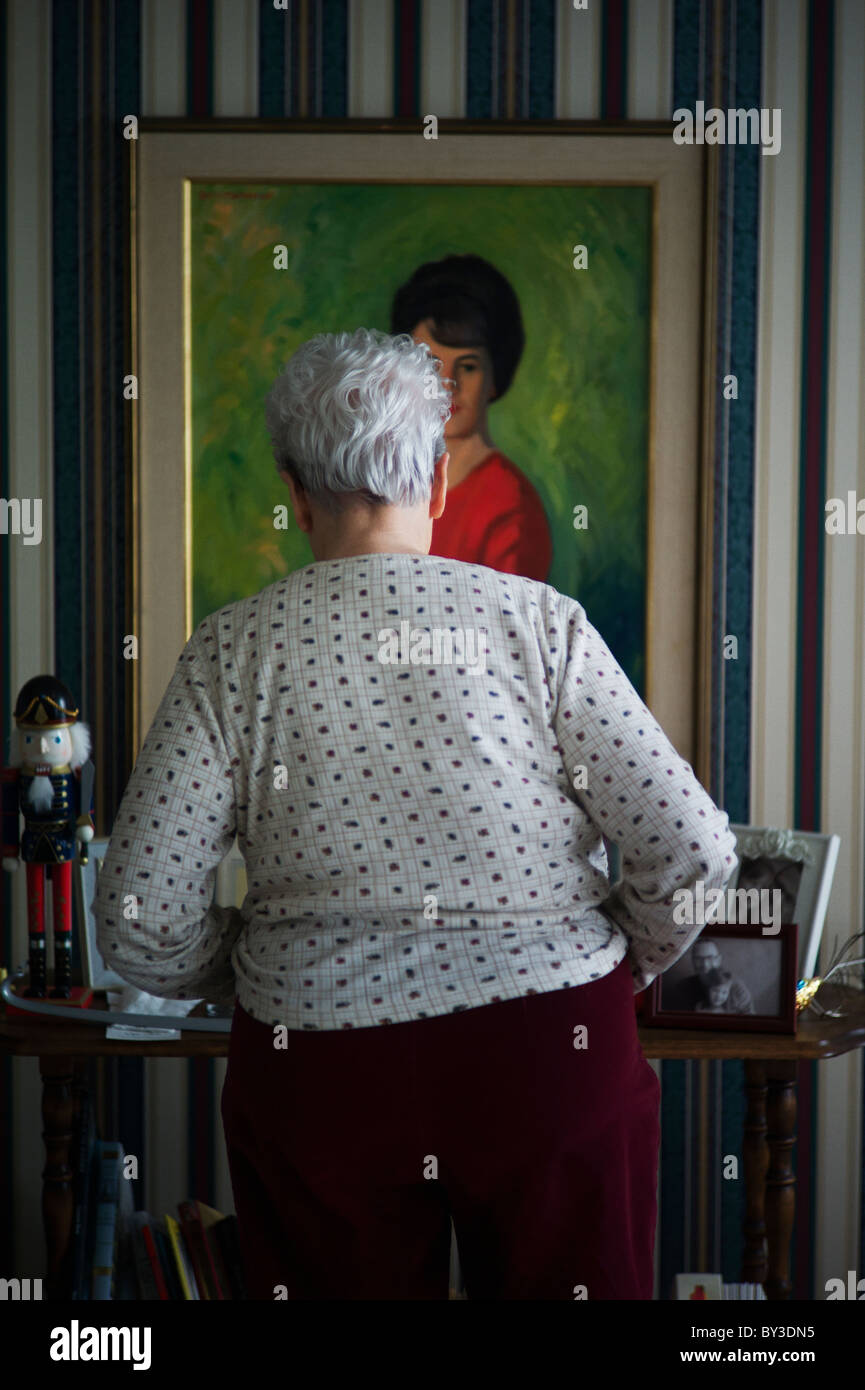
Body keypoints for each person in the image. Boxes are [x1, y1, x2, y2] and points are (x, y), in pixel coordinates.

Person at [94, 328, 738, 1301]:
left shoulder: (231, 654)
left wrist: (271, 954)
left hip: (316, 1065)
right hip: (548, 1048)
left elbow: (136, 916)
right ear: (435, 478)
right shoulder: (540, 624)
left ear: (296, 491)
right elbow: (691, 848)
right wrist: (612, 958)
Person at [390, 254, 553, 581]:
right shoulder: (389, 483)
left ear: (495, 377)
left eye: (468, 366)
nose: (448, 383)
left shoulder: (511, 507)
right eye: (430, 365)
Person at [666, 939, 753, 1014]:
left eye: (710, 958)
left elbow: (749, 1021)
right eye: (699, 959)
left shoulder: (736, 987)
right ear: (693, 961)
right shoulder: (683, 987)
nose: (705, 964)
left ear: (719, 960)